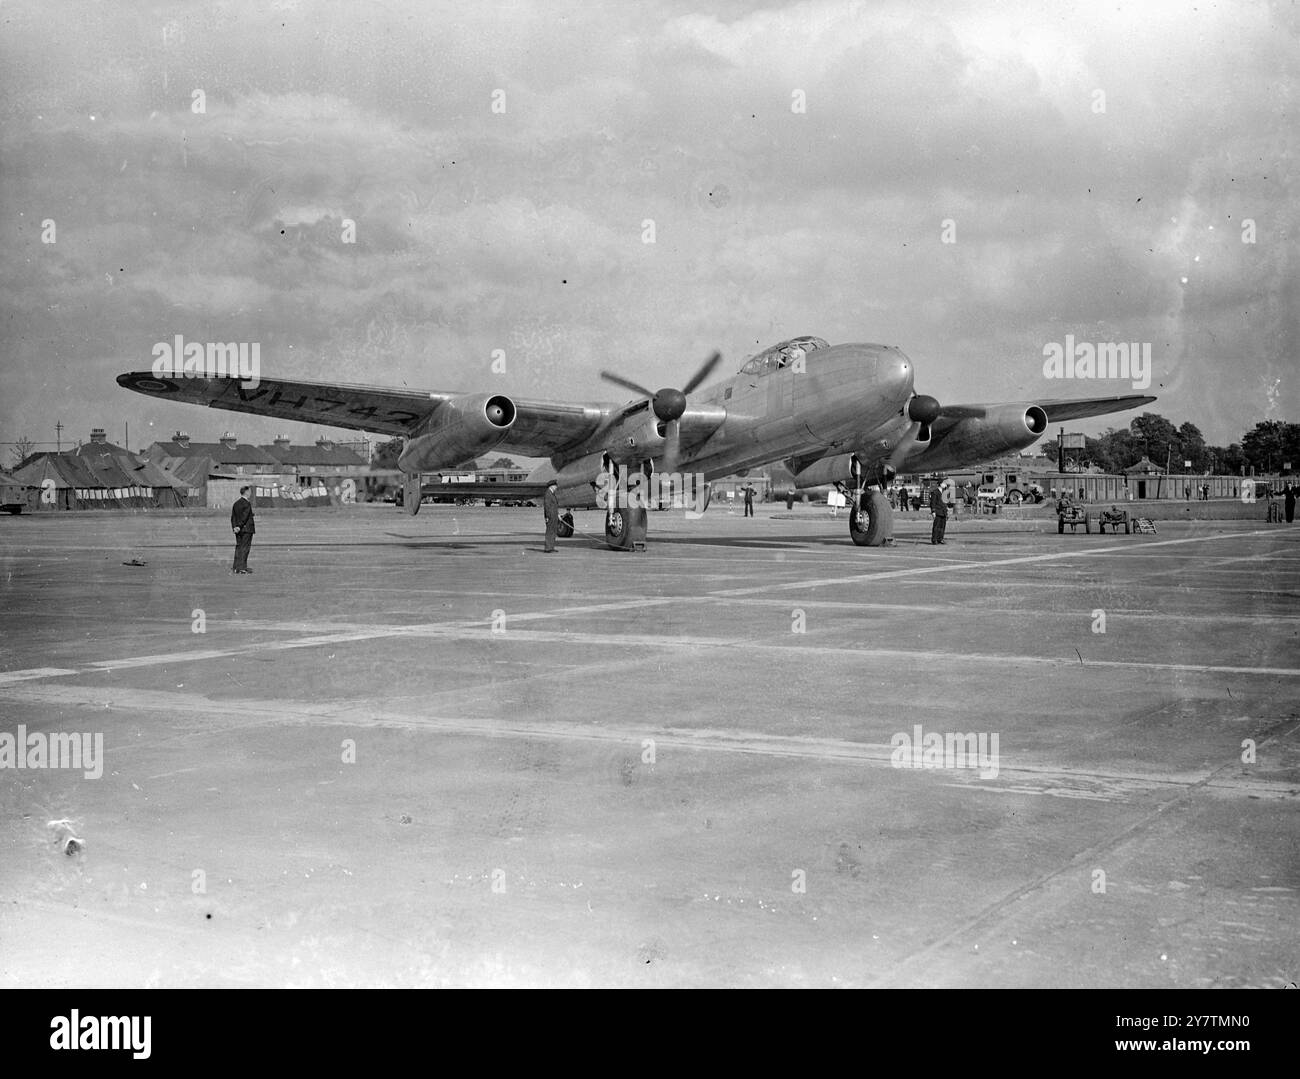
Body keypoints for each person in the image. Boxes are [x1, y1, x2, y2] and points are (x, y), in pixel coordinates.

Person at [231, 486, 255, 573]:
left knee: (238, 547)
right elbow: (244, 517)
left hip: (238, 530)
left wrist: (235, 527)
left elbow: (233, 517)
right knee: (245, 548)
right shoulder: (247, 503)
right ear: (247, 492)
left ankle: (236, 567)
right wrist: (239, 526)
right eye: (250, 491)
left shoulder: (236, 503)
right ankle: (242, 568)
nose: (251, 493)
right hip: (246, 529)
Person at [543, 478, 560, 552]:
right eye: (555, 486)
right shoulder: (548, 494)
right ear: (551, 486)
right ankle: (548, 548)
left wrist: (558, 515)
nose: (556, 487)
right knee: (550, 531)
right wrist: (547, 516)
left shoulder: (552, 494)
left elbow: (554, 506)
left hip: (554, 515)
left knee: (553, 531)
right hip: (550, 516)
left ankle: (551, 547)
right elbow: (547, 506)